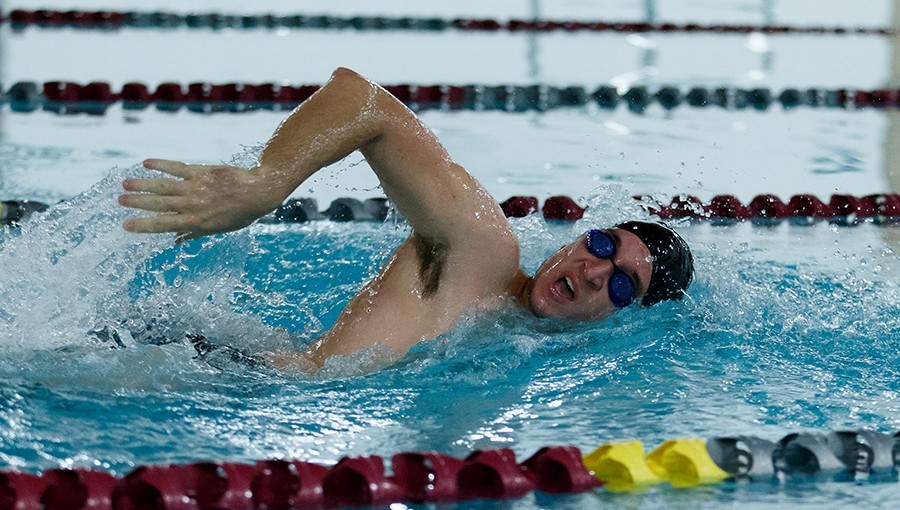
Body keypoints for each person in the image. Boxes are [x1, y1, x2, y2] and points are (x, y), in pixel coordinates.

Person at [119, 67, 693, 371]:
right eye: (601, 245)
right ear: (573, 242)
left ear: (624, 318)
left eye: (622, 284)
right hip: (215, 371)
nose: (595, 272)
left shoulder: (529, 352)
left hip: (239, 374)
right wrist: (266, 183)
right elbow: (366, 102)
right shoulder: (483, 250)